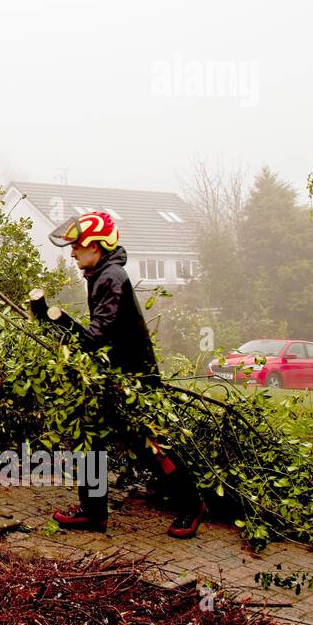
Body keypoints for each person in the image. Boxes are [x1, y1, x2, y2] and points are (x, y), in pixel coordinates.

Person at [41, 210, 208, 539]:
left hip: (135, 379)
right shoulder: (100, 274)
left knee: (152, 445)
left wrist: (58, 323)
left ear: (95, 246)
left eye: (77, 246)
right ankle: (93, 513)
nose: (72, 253)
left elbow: (97, 335)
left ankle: (193, 505)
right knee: (90, 438)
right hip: (112, 375)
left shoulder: (111, 277)